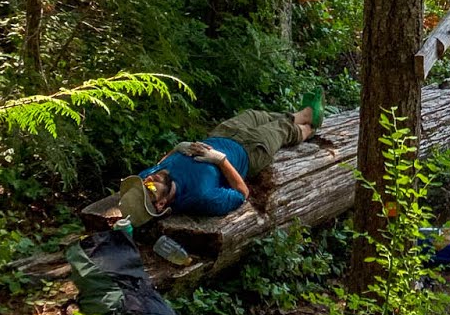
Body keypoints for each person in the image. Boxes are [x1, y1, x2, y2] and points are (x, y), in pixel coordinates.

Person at [118, 94, 323, 224]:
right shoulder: (201, 197)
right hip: (249, 151)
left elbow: (160, 164)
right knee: (283, 130)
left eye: (143, 182)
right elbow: (242, 193)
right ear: (160, 205)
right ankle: (309, 127)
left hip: (223, 133)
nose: (150, 180)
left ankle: (301, 115)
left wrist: (177, 149)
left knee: (257, 115)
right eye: (151, 190)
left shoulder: (152, 177)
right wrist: (220, 160)